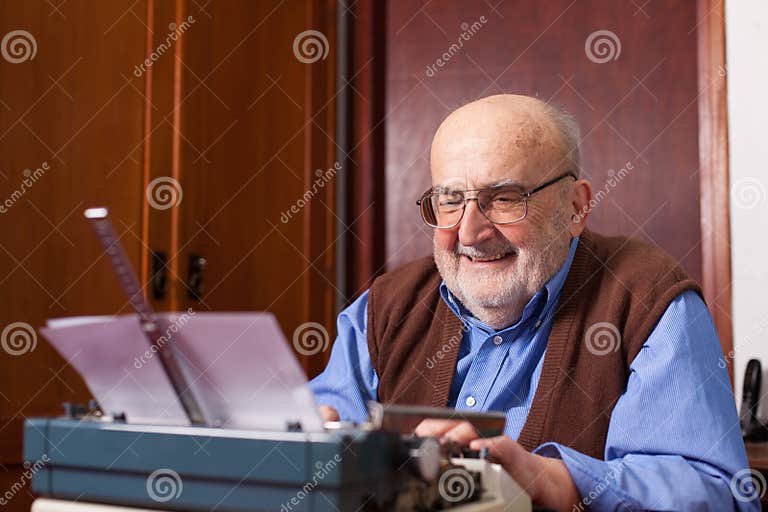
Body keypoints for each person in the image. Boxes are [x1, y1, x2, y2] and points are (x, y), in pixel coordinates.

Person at [309, 94, 758, 511]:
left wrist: (556, 481)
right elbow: (309, 449)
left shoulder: (648, 301)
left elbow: (720, 492)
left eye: (504, 199)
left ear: (576, 207)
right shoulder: (385, 308)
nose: (469, 233)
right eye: (450, 200)